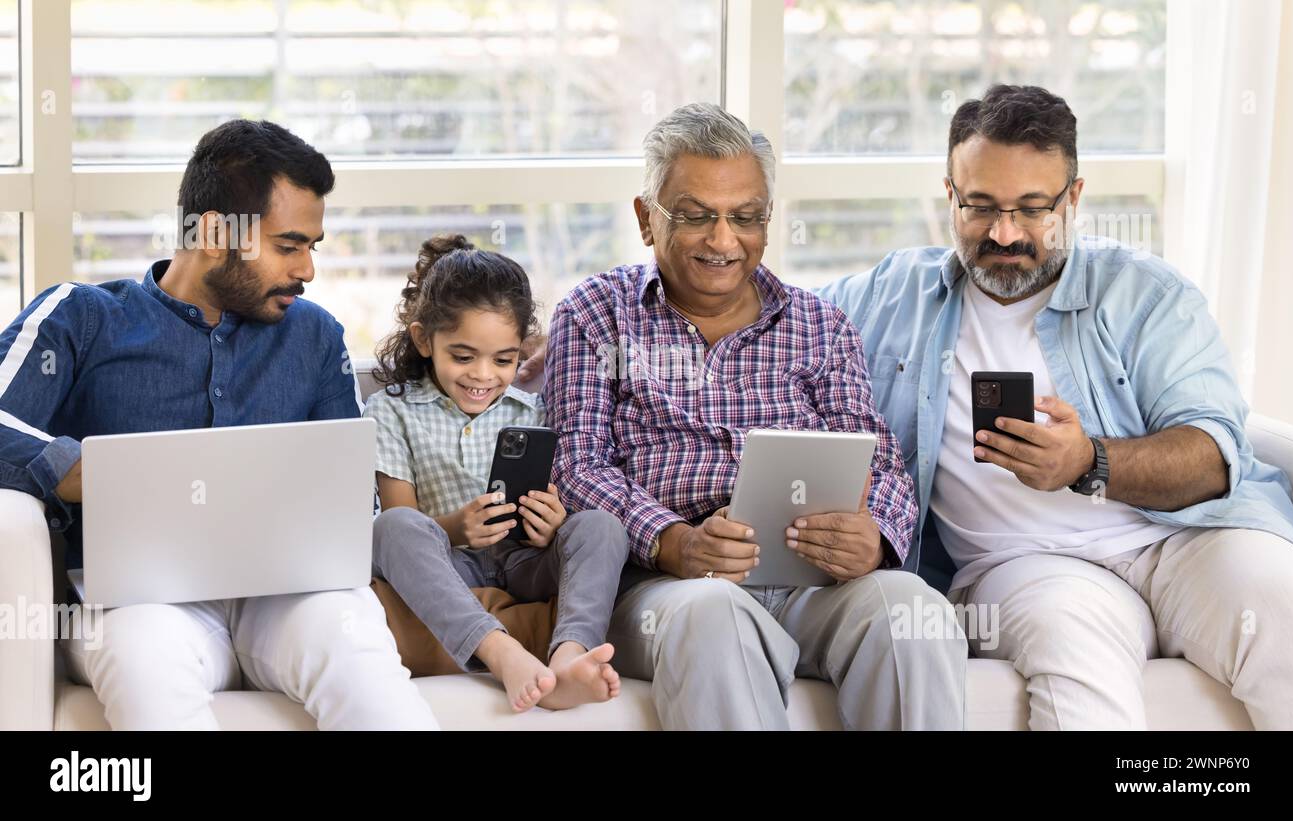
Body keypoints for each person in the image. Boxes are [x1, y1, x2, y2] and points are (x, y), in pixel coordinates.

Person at [816, 85, 1293, 729]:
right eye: (980, 206)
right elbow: (762, 321)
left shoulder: (1144, 294)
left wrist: (1089, 462)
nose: (1005, 233)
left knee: (1283, 607)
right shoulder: (888, 296)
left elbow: (1214, 454)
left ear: (1073, 198)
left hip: (1186, 540)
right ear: (950, 195)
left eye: (1032, 208)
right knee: (1081, 669)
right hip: (1024, 565)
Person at [0, 120, 439, 730]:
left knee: (358, 650)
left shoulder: (316, 337)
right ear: (213, 232)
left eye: (313, 246)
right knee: (143, 659)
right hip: (139, 604)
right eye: (289, 246)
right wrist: (81, 472)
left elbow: (345, 493)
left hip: (288, 599)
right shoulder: (82, 319)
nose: (307, 269)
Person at [543, 103, 967, 731]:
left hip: (809, 586)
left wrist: (875, 537)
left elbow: (880, 463)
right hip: (663, 593)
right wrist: (673, 541)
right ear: (645, 217)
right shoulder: (594, 314)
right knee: (714, 611)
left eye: (746, 218)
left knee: (909, 607)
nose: (723, 241)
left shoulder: (819, 326)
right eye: (696, 217)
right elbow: (576, 465)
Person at [367, 235, 629, 713]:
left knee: (600, 525)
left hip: (524, 562)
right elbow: (403, 521)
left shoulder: (535, 411)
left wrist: (551, 524)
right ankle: (500, 652)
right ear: (425, 339)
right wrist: (454, 527)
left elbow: (558, 505)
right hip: (451, 564)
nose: (483, 375)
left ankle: (569, 656)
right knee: (391, 527)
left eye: (504, 360)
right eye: (463, 357)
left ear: (520, 351)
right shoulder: (391, 411)